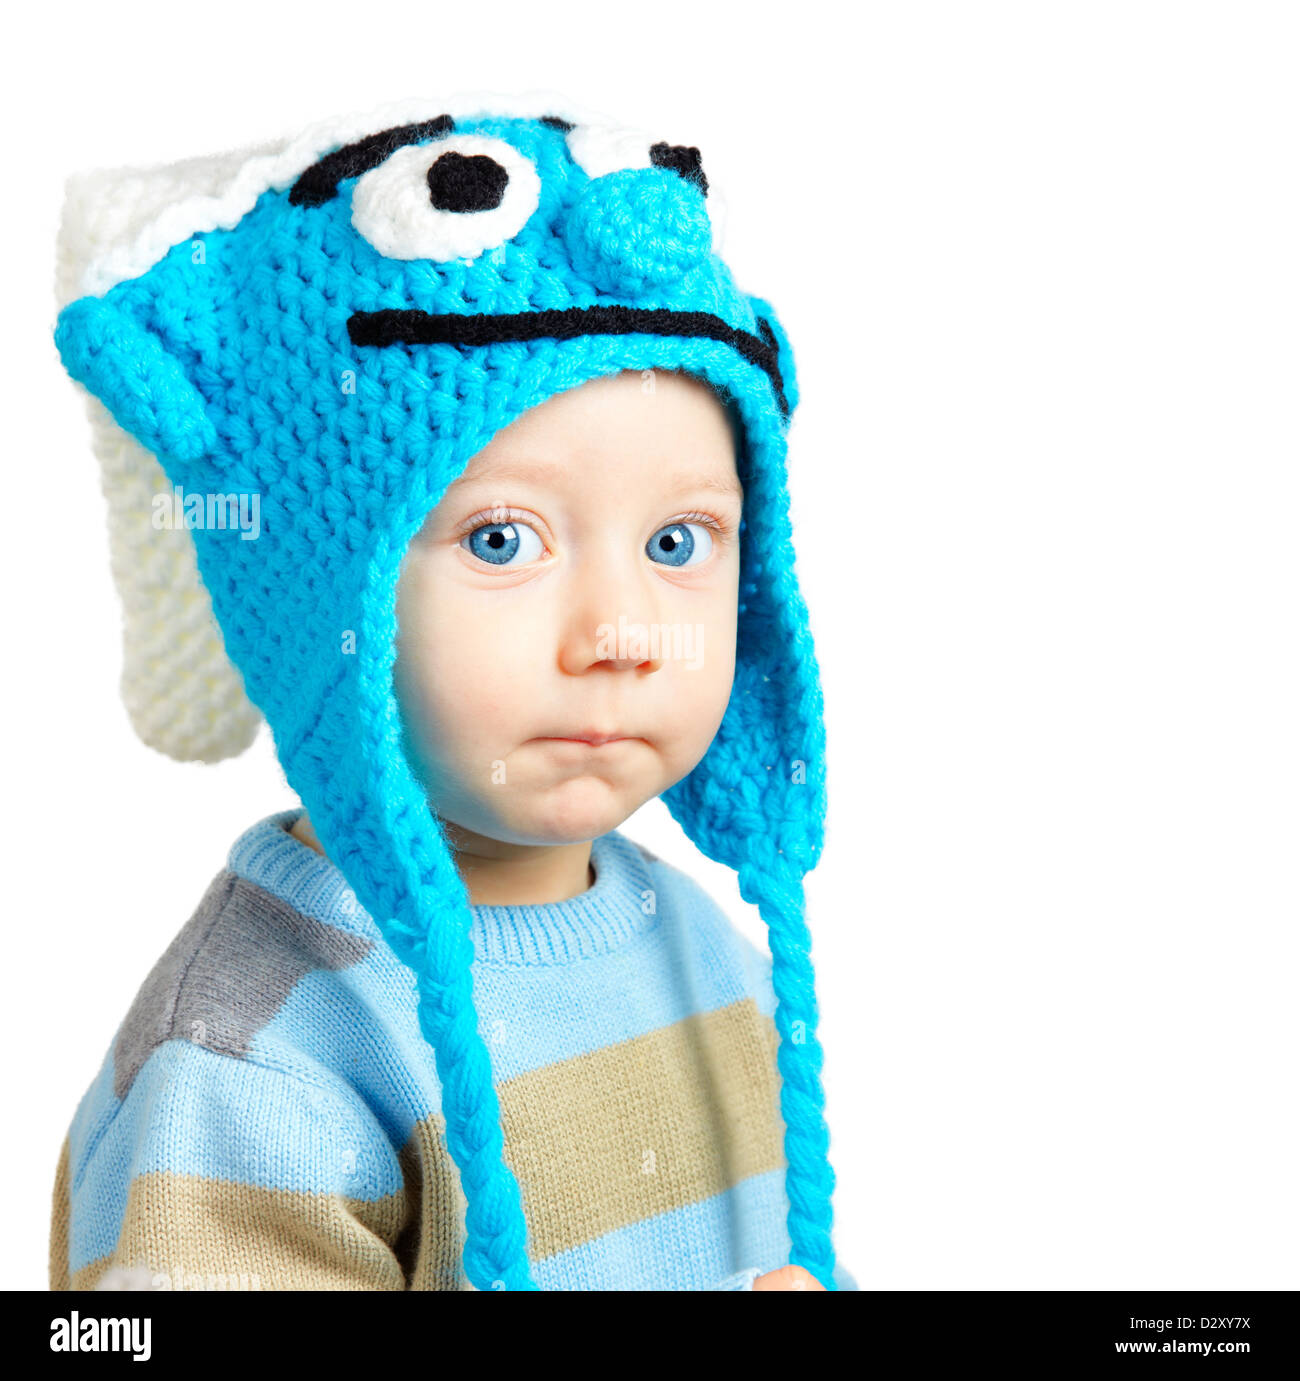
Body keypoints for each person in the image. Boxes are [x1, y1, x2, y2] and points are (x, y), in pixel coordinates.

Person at [50, 94, 849, 1291]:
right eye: (501, 540)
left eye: (680, 543)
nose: (619, 633)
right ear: (316, 597)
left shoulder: (700, 955)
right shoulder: (252, 1056)